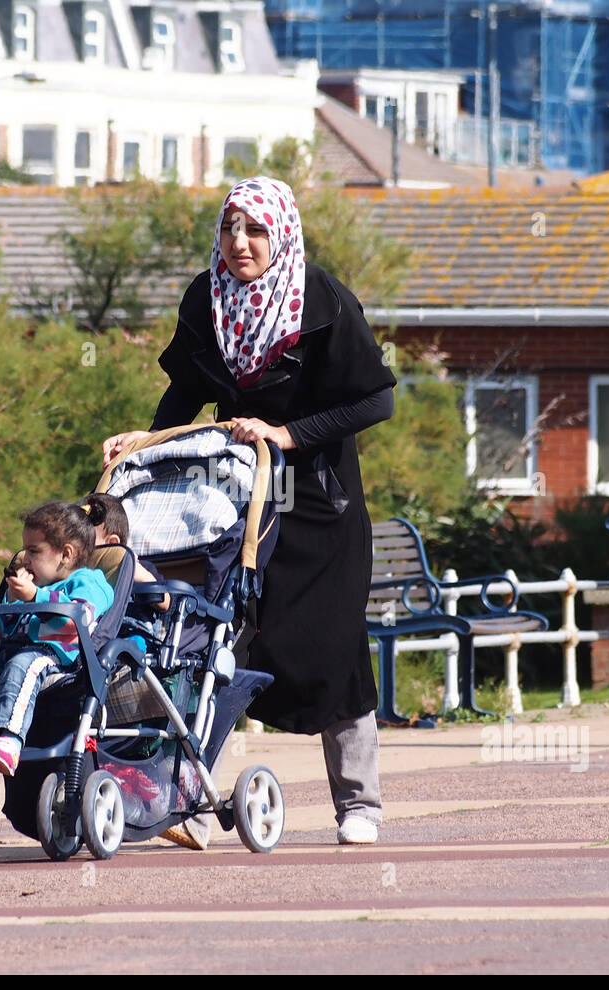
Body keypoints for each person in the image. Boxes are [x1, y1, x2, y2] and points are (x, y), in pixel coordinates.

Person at [102, 176, 396, 846]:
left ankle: (360, 803)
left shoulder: (319, 299)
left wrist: (287, 433)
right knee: (208, 640)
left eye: (255, 230)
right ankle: (193, 802)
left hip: (319, 507)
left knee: (332, 646)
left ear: (281, 234)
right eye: (230, 227)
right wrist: (145, 443)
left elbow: (376, 400)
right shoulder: (207, 297)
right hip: (233, 501)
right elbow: (184, 391)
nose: (240, 243)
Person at [0, 501, 114, 776]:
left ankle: (9, 737)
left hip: (57, 658)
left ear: (65, 554)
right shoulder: (35, 583)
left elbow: (77, 620)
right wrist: (12, 603)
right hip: (12, 653)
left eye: (33, 551)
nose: (24, 558)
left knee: (23, 664)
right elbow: (4, 630)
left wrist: (34, 596)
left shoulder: (90, 582)